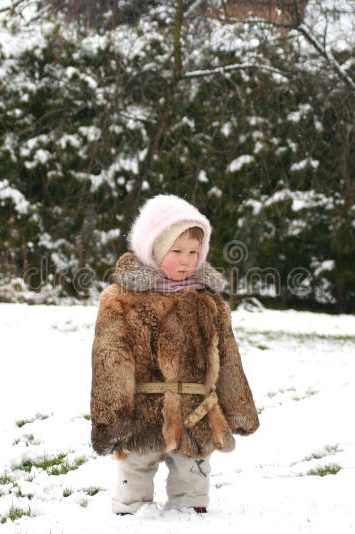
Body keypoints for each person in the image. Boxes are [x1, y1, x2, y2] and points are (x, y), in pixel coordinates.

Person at [90, 194, 259, 515]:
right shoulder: (123, 301)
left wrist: (239, 410)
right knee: (135, 466)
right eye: (176, 251)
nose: (186, 261)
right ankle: (131, 507)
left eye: (194, 252)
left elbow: (228, 357)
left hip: (196, 410)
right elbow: (110, 361)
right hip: (143, 410)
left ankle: (190, 505)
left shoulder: (208, 301)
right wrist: (110, 418)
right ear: (153, 250)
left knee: (193, 470)